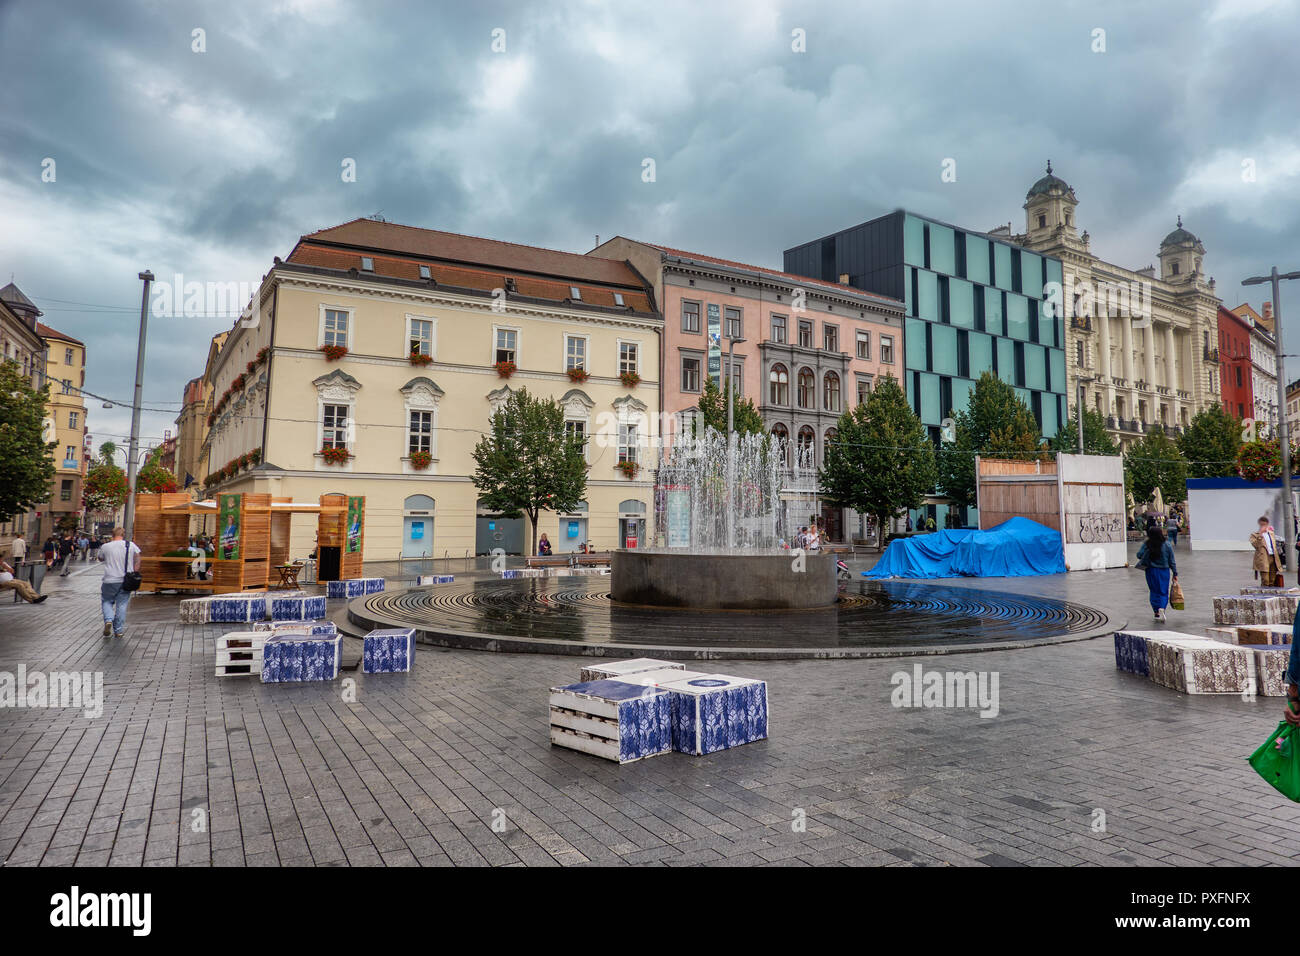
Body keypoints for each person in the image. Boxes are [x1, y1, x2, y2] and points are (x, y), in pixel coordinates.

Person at [97, 527, 141, 639]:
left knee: (106, 601)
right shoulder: (131, 545)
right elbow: (137, 559)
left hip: (109, 579)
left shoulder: (105, 546)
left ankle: (108, 620)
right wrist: (135, 572)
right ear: (123, 534)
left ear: (112, 535)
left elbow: (100, 558)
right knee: (122, 605)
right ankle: (118, 631)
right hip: (125, 580)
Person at [1136, 526, 1177, 622]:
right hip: (1164, 571)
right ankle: (1162, 607)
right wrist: (1175, 573)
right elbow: (1172, 560)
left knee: (1154, 591)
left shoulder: (1147, 543)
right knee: (1163, 591)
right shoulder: (1167, 544)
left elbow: (1139, 555)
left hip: (1151, 570)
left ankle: (1156, 611)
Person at [1251, 516, 1283, 588]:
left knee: (1272, 580)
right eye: (1262, 525)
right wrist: (1260, 534)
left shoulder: (1271, 533)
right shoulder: (1254, 535)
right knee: (1265, 580)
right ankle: (1264, 592)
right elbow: (1256, 545)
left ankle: (1271, 593)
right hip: (1263, 558)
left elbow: (1276, 544)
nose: (1264, 526)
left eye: (1265, 525)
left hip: (1273, 557)